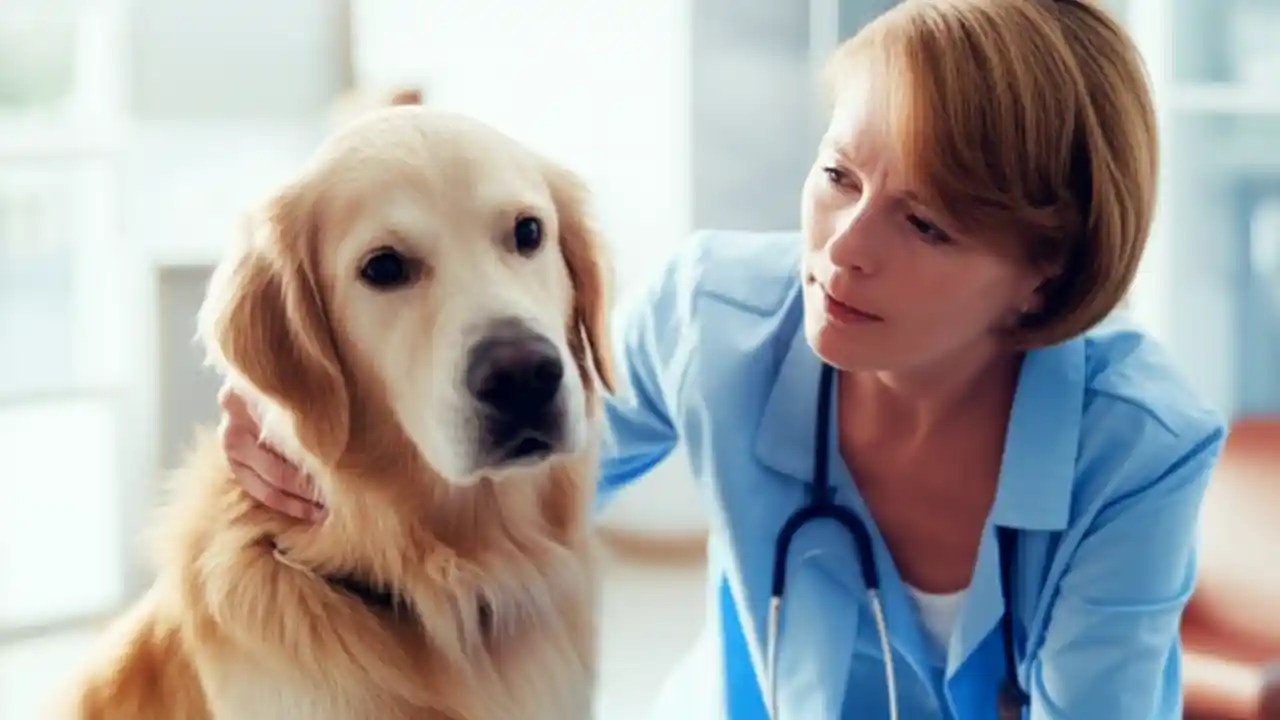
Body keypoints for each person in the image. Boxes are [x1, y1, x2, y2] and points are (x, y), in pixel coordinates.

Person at [217, 1, 1232, 717]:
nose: (841, 251)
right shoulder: (717, 319)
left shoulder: (1136, 447)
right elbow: (497, 477)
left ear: (1043, 277)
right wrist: (288, 414)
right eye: (837, 174)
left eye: (922, 224)